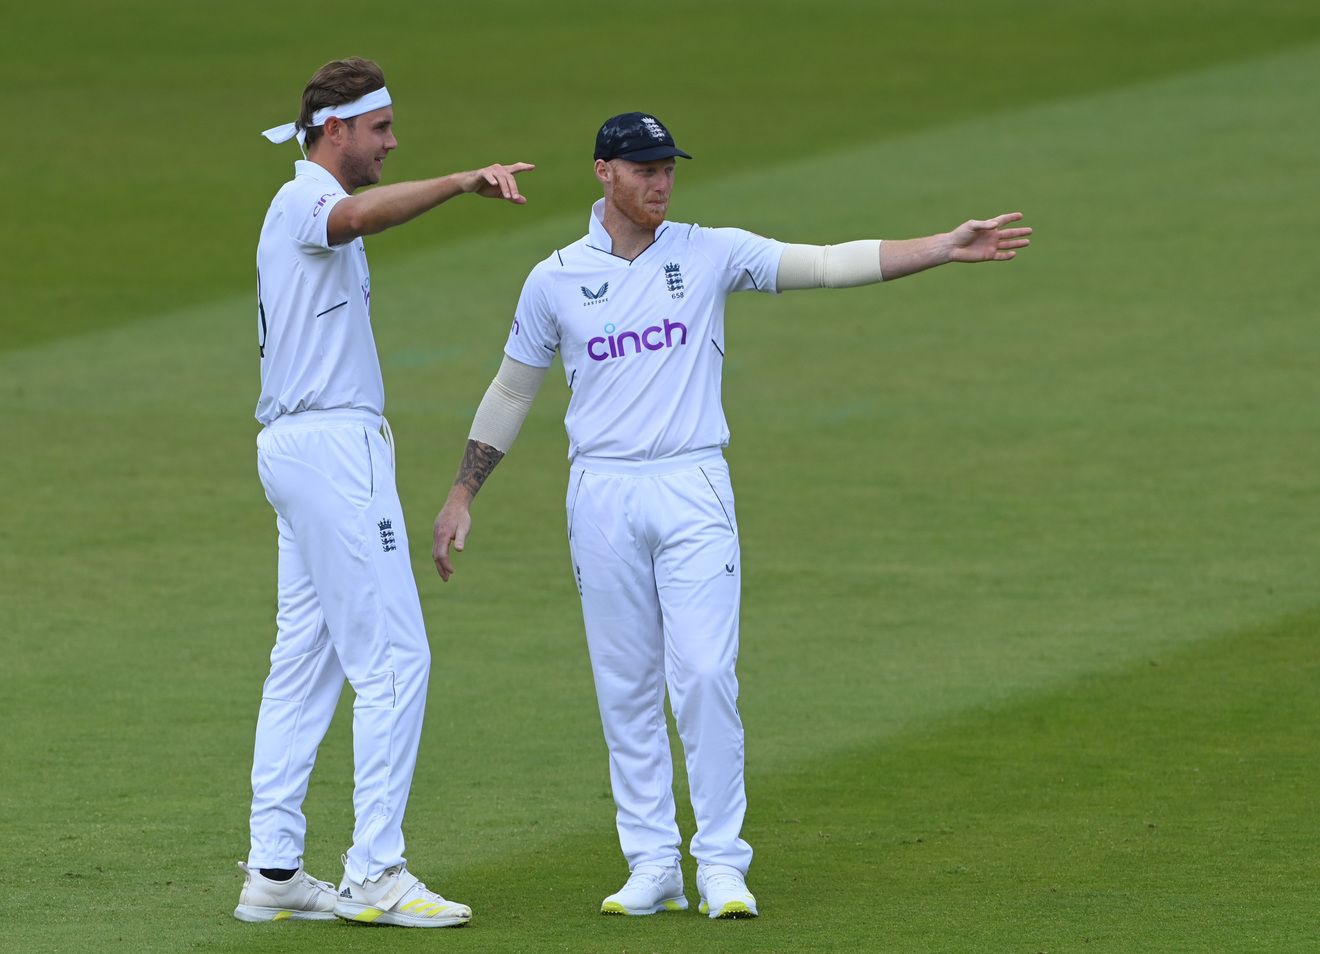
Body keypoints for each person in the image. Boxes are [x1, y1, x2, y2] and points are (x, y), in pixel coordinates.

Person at [431, 112, 1031, 920]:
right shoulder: (555, 279)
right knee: (625, 686)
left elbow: (822, 264)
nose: (662, 182)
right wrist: (464, 491)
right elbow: (513, 388)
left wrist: (940, 247)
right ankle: (652, 865)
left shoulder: (708, 251)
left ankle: (720, 863)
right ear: (604, 172)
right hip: (601, 493)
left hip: (691, 484)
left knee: (707, 675)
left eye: (669, 167)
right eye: (644, 169)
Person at [233, 56, 533, 927]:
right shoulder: (304, 200)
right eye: (381, 129)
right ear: (336, 131)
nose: (392, 143)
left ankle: (276, 872)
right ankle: (375, 873)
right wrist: (459, 182)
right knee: (396, 661)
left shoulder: (301, 207)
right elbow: (357, 213)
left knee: (306, 660)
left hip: (299, 451)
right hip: (331, 451)